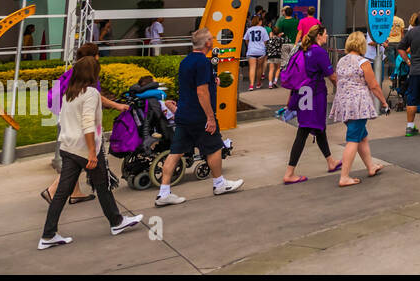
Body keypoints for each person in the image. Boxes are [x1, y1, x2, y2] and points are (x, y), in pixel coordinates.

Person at [38, 55, 144, 249]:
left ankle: (48, 234)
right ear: (92, 74)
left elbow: (64, 121)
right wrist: (93, 153)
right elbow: (87, 124)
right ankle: (117, 222)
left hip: (68, 148)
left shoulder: (69, 93)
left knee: (63, 193)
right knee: (102, 186)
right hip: (83, 150)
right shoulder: (91, 94)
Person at [154, 28, 243, 206]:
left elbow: (193, 84)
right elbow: (201, 92)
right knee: (214, 147)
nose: (213, 40)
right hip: (199, 115)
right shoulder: (203, 62)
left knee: (175, 152)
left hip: (183, 114)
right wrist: (210, 117)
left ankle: (163, 192)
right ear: (207, 43)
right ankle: (219, 183)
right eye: (211, 38)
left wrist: (212, 81)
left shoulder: (186, 61)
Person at [43, 41, 129, 206]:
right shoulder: (88, 74)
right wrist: (117, 105)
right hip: (79, 123)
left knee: (74, 159)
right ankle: (53, 190)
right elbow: (96, 97)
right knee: (81, 158)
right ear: (94, 56)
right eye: (98, 54)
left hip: (66, 119)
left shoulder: (70, 72)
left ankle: (75, 193)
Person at [282, 24, 340, 184]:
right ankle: (289, 173)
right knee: (304, 130)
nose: (327, 37)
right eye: (326, 33)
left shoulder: (302, 49)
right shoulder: (319, 52)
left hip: (302, 93)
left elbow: (296, 76)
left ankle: (331, 161)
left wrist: (290, 99)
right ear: (319, 35)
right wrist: (341, 91)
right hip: (314, 95)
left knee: (319, 127)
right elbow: (332, 76)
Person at [329, 31, 387, 187]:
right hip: (358, 104)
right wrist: (383, 102)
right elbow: (374, 85)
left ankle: (371, 167)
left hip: (343, 104)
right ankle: (344, 176)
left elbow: (337, 80)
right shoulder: (363, 62)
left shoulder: (341, 61)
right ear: (362, 45)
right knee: (353, 139)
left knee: (361, 136)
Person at [380, 14, 405, 113]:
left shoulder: (387, 20)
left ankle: (392, 78)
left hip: (389, 42)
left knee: (391, 62)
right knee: (398, 61)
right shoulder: (400, 20)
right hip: (398, 42)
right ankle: (397, 77)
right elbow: (402, 34)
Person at [243, 14, 269, 90]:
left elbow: (246, 40)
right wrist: (262, 46)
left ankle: (251, 85)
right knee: (259, 68)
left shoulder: (249, 29)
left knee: (252, 68)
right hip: (261, 51)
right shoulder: (263, 29)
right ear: (259, 21)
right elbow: (265, 41)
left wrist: (249, 46)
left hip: (251, 51)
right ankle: (258, 83)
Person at [274, 5, 299, 70]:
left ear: (285, 12)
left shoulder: (282, 22)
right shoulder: (296, 21)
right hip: (294, 43)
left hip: (285, 43)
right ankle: (292, 75)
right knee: (293, 61)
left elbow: (278, 33)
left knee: (284, 62)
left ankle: (285, 76)